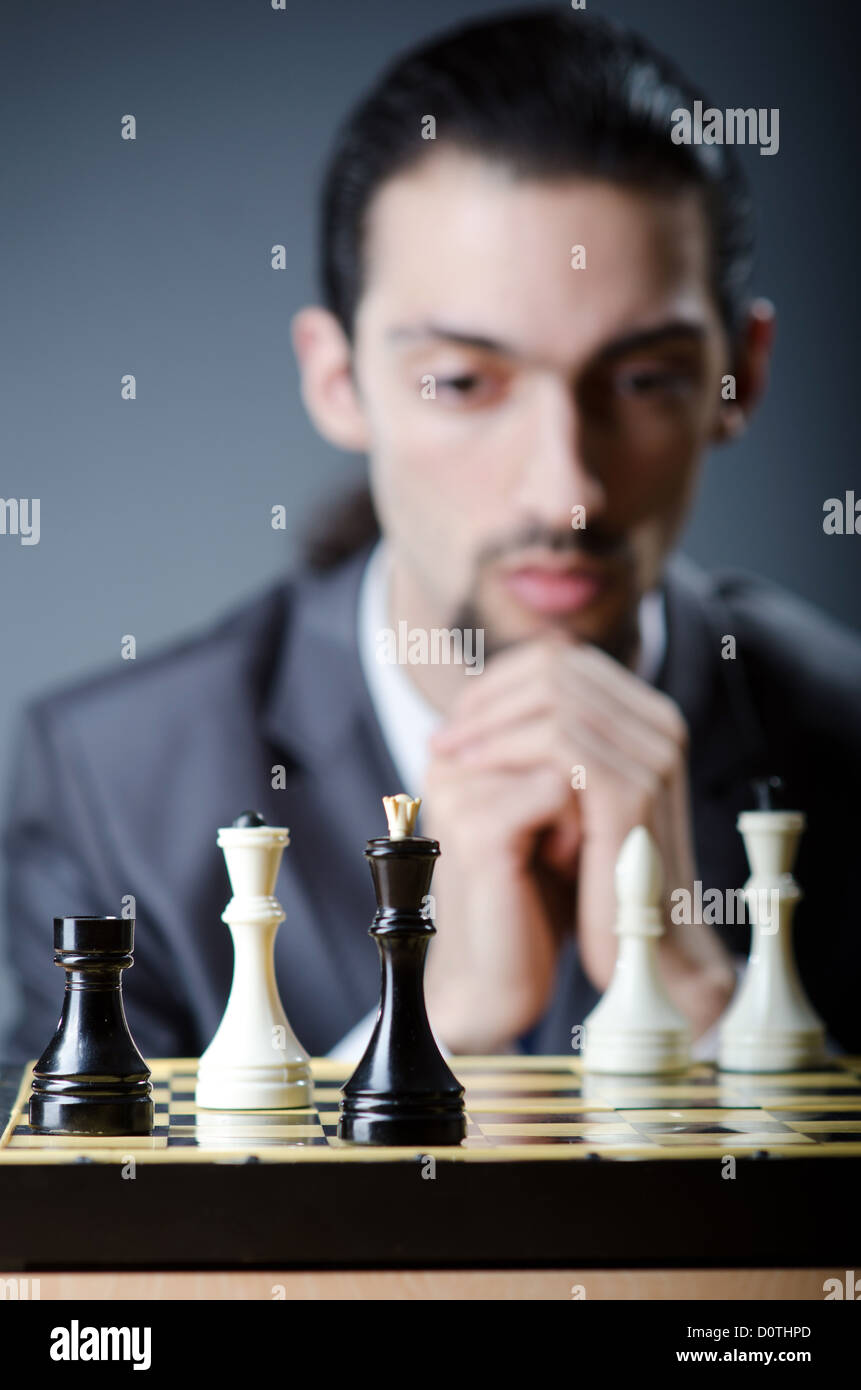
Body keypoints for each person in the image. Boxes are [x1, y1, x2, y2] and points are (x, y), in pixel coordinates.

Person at [3, 9, 860, 1066]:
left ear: (744, 377)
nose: (565, 490)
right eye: (462, 381)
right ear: (337, 378)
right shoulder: (114, 789)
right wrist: (428, 1024)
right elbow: (82, 1225)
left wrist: (716, 1002)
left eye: (643, 380)